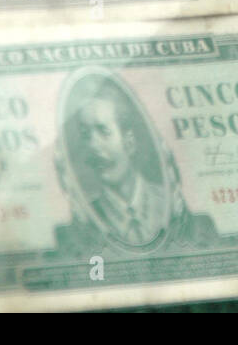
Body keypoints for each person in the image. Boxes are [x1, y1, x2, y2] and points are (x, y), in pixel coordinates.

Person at [71, 75, 167, 246]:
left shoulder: (167, 203)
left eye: (104, 131)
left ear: (129, 143)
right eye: (86, 135)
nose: (93, 146)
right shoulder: (86, 217)